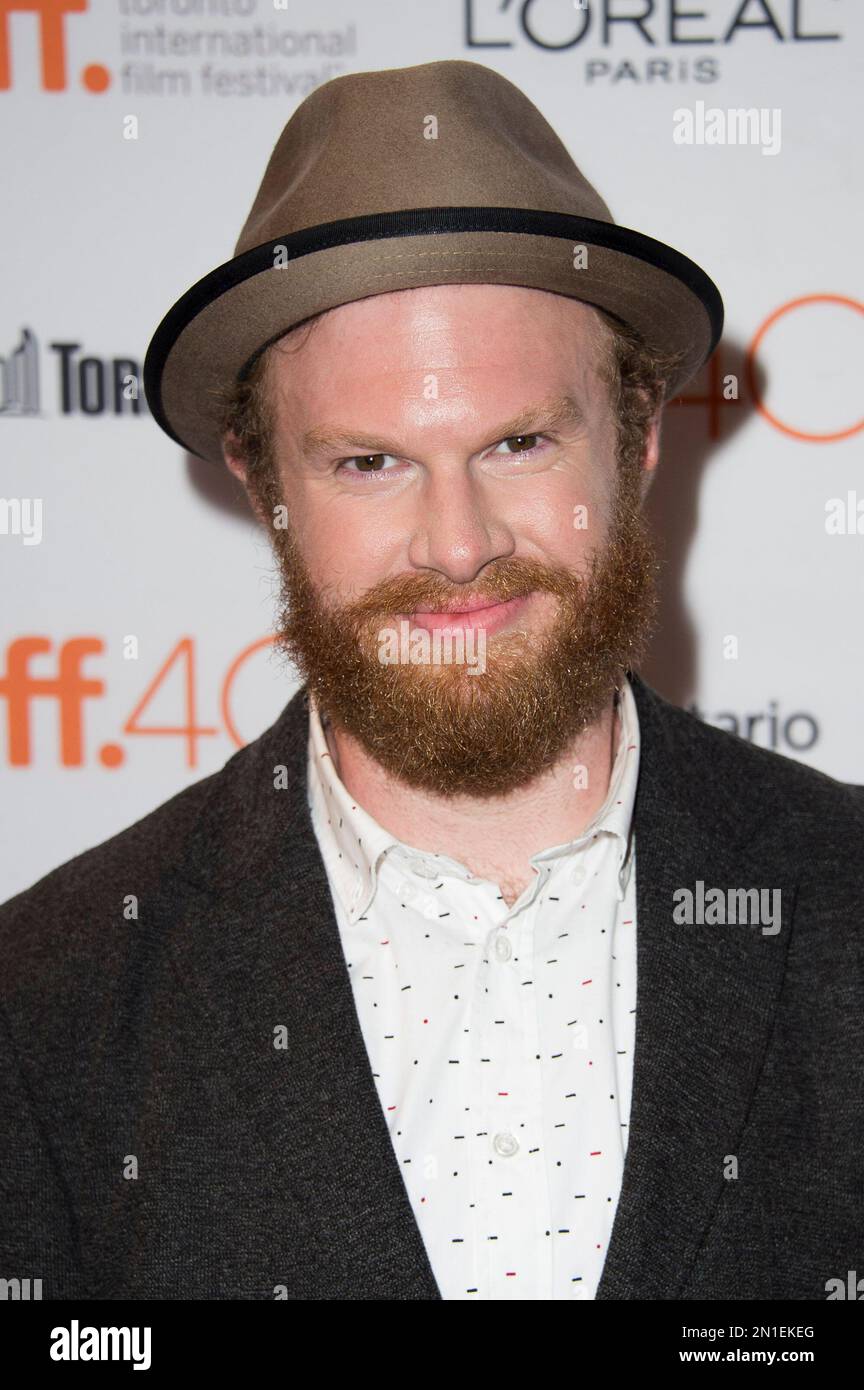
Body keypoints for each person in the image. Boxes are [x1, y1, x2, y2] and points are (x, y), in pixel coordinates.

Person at [1, 60, 861, 1302]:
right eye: (367, 462)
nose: (458, 546)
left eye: (518, 441)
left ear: (637, 442)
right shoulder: (52, 1005)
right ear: (265, 486)